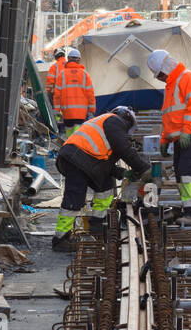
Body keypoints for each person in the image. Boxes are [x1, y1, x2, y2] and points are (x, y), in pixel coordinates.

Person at [52, 107, 150, 252]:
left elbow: (104, 162)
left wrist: (123, 173)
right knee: (74, 199)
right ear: (127, 120)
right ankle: (60, 239)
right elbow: (124, 149)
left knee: (105, 188)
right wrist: (143, 168)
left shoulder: (106, 123)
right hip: (77, 159)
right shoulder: (113, 122)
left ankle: (98, 223)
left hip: (84, 159)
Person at [148, 49, 191, 226]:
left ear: (166, 67)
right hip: (183, 136)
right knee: (180, 172)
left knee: (186, 173)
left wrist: (187, 130)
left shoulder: (188, 78)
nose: (159, 78)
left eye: (160, 74)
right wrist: (165, 139)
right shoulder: (172, 83)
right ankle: (188, 208)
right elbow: (171, 117)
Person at [55, 48, 96, 134]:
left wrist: (57, 111)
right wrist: (92, 110)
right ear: (79, 59)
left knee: (69, 136)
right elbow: (90, 94)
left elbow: (57, 95)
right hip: (81, 114)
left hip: (67, 114)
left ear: (68, 59)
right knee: (79, 136)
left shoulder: (62, 75)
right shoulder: (85, 74)